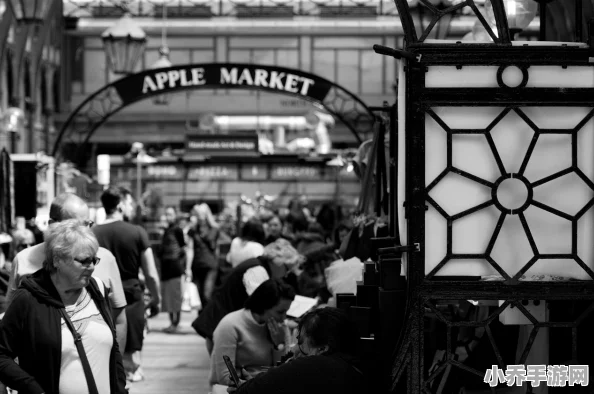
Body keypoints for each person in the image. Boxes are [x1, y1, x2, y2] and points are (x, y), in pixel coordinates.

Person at [0, 220, 127, 394]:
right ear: (58, 260)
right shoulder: (28, 299)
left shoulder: (97, 289)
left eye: (94, 260)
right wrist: (32, 388)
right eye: (83, 261)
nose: (90, 267)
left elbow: (114, 352)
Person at [6, 193, 128, 353]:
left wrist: (115, 368)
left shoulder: (104, 259)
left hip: (94, 364)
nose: (85, 232)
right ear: (51, 224)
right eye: (75, 226)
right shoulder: (23, 260)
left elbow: (119, 319)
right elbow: (11, 321)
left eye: (88, 224)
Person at [93, 186, 161, 382]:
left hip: (101, 297)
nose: (132, 207)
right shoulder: (137, 232)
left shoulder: (92, 233)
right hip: (131, 297)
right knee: (131, 354)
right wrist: (156, 298)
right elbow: (150, 273)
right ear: (121, 205)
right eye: (130, 203)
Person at [192, 238, 304, 355]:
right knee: (225, 368)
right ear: (278, 262)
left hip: (222, 326)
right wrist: (284, 323)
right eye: (287, 269)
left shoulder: (258, 266)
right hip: (221, 328)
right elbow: (262, 305)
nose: (286, 274)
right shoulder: (257, 270)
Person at [229, 307, 365, 394]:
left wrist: (248, 387)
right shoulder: (353, 371)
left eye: (300, 342)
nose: (295, 349)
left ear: (322, 348)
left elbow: (248, 391)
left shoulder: (314, 365)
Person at [210, 278, 295, 387]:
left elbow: (283, 372)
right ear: (263, 306)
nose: (283, 318)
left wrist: (279, 345)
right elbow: (225, 377)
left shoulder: (281, 328)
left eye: (286, 312)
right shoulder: (230, 326)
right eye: (280, 312)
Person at [159, 206, 189, 333]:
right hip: (166, 267)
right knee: (168, 297)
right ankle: (172, 323)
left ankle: (176, 323)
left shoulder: (177, 230)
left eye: (170, 214)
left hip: (175, 266)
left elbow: (183, 249)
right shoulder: (166, 231)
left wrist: (184, 267)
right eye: (166, 214)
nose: (168, 216)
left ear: (175, 215)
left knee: (176, 296)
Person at [188, 203, 221, 309]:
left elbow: (214, 246)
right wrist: (188, 268)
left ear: (206, 214)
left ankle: (208, 322)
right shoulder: (193, 229)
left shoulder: (214, 229)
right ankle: (201, 322)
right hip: (197, 265)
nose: (200, 216)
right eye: (198, 214)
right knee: (199, 299)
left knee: (207, 295)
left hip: (210, 265)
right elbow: (188, 247)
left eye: (201, 214)